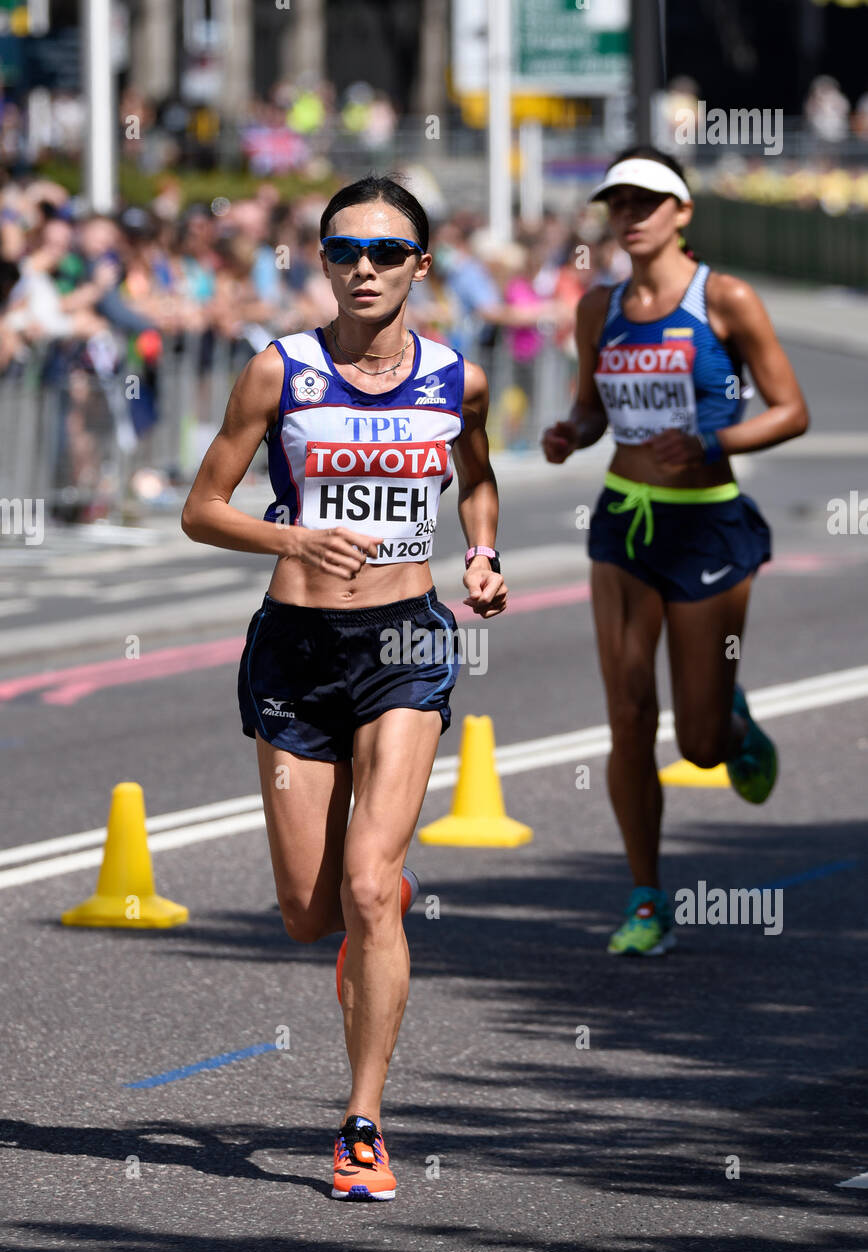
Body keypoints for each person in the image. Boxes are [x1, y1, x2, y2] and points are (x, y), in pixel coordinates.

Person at [181, 175, 508, 1197]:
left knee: (369, 885)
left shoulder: (460, 377)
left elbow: (478, 475)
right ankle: (376, 906)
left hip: (406, 642)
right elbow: (200, 508)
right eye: (341, 250)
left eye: (384, 252)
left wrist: (483, 551)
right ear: (322, 261)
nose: (361, 268)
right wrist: (293, 534)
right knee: (305, 911)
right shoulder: (276, 374)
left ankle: (362, 1120)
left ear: (420, 264)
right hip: (295, 649)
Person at [542, 147, 808, 957]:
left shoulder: (725, 298)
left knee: (694, 743)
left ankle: (731, 721)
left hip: (709, 525)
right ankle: (647, 898)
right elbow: (590, 408)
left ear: (682, 212)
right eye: (619, 202)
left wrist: (711, 442)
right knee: (627, 715)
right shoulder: (600, 308)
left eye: (648, 201)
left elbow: (790, 410)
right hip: (625, 520)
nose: (632, 215)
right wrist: (570, 433)